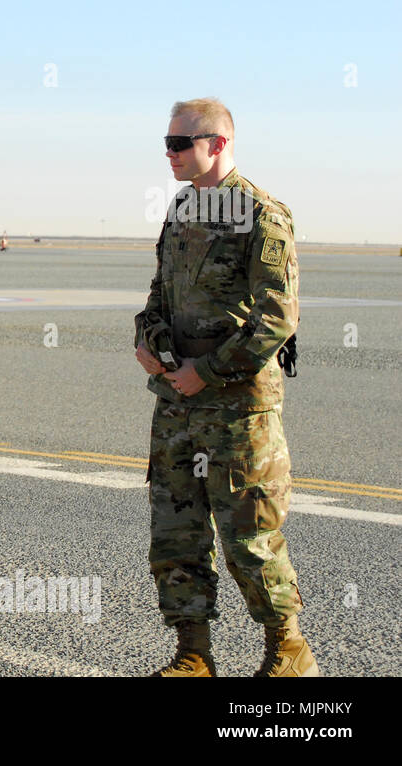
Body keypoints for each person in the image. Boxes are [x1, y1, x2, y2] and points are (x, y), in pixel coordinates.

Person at [134, 97, 318, 677]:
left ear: (217, 144)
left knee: (251, 539)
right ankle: (193, 655)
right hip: (177, 404)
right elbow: (158, 296)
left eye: (179, 144)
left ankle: (288, 653)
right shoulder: (182, 210)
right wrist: (151, 342)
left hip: (237, 409)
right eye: (166, 143)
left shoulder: (262, 214)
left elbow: (277, 318)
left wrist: (205, 372)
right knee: (177, 534)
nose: (169, 154)